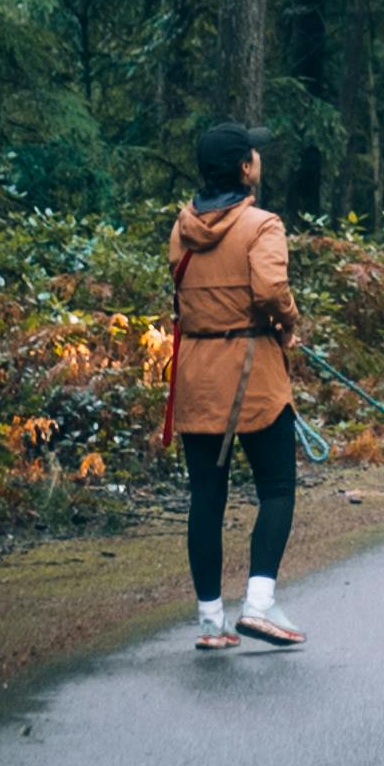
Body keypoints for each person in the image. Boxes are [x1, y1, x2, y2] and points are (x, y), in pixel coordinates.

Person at [166, 123, 304, 650]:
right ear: (245, 168)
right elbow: (270, 289)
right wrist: (289, 322)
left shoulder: (180, 230)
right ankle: (260, 604)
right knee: (277, 488)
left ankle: (209, 621)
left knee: (206, 496)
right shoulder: (262, 225)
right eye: (255, 154)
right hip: (253, 373)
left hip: (198, 371)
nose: (258, 161)